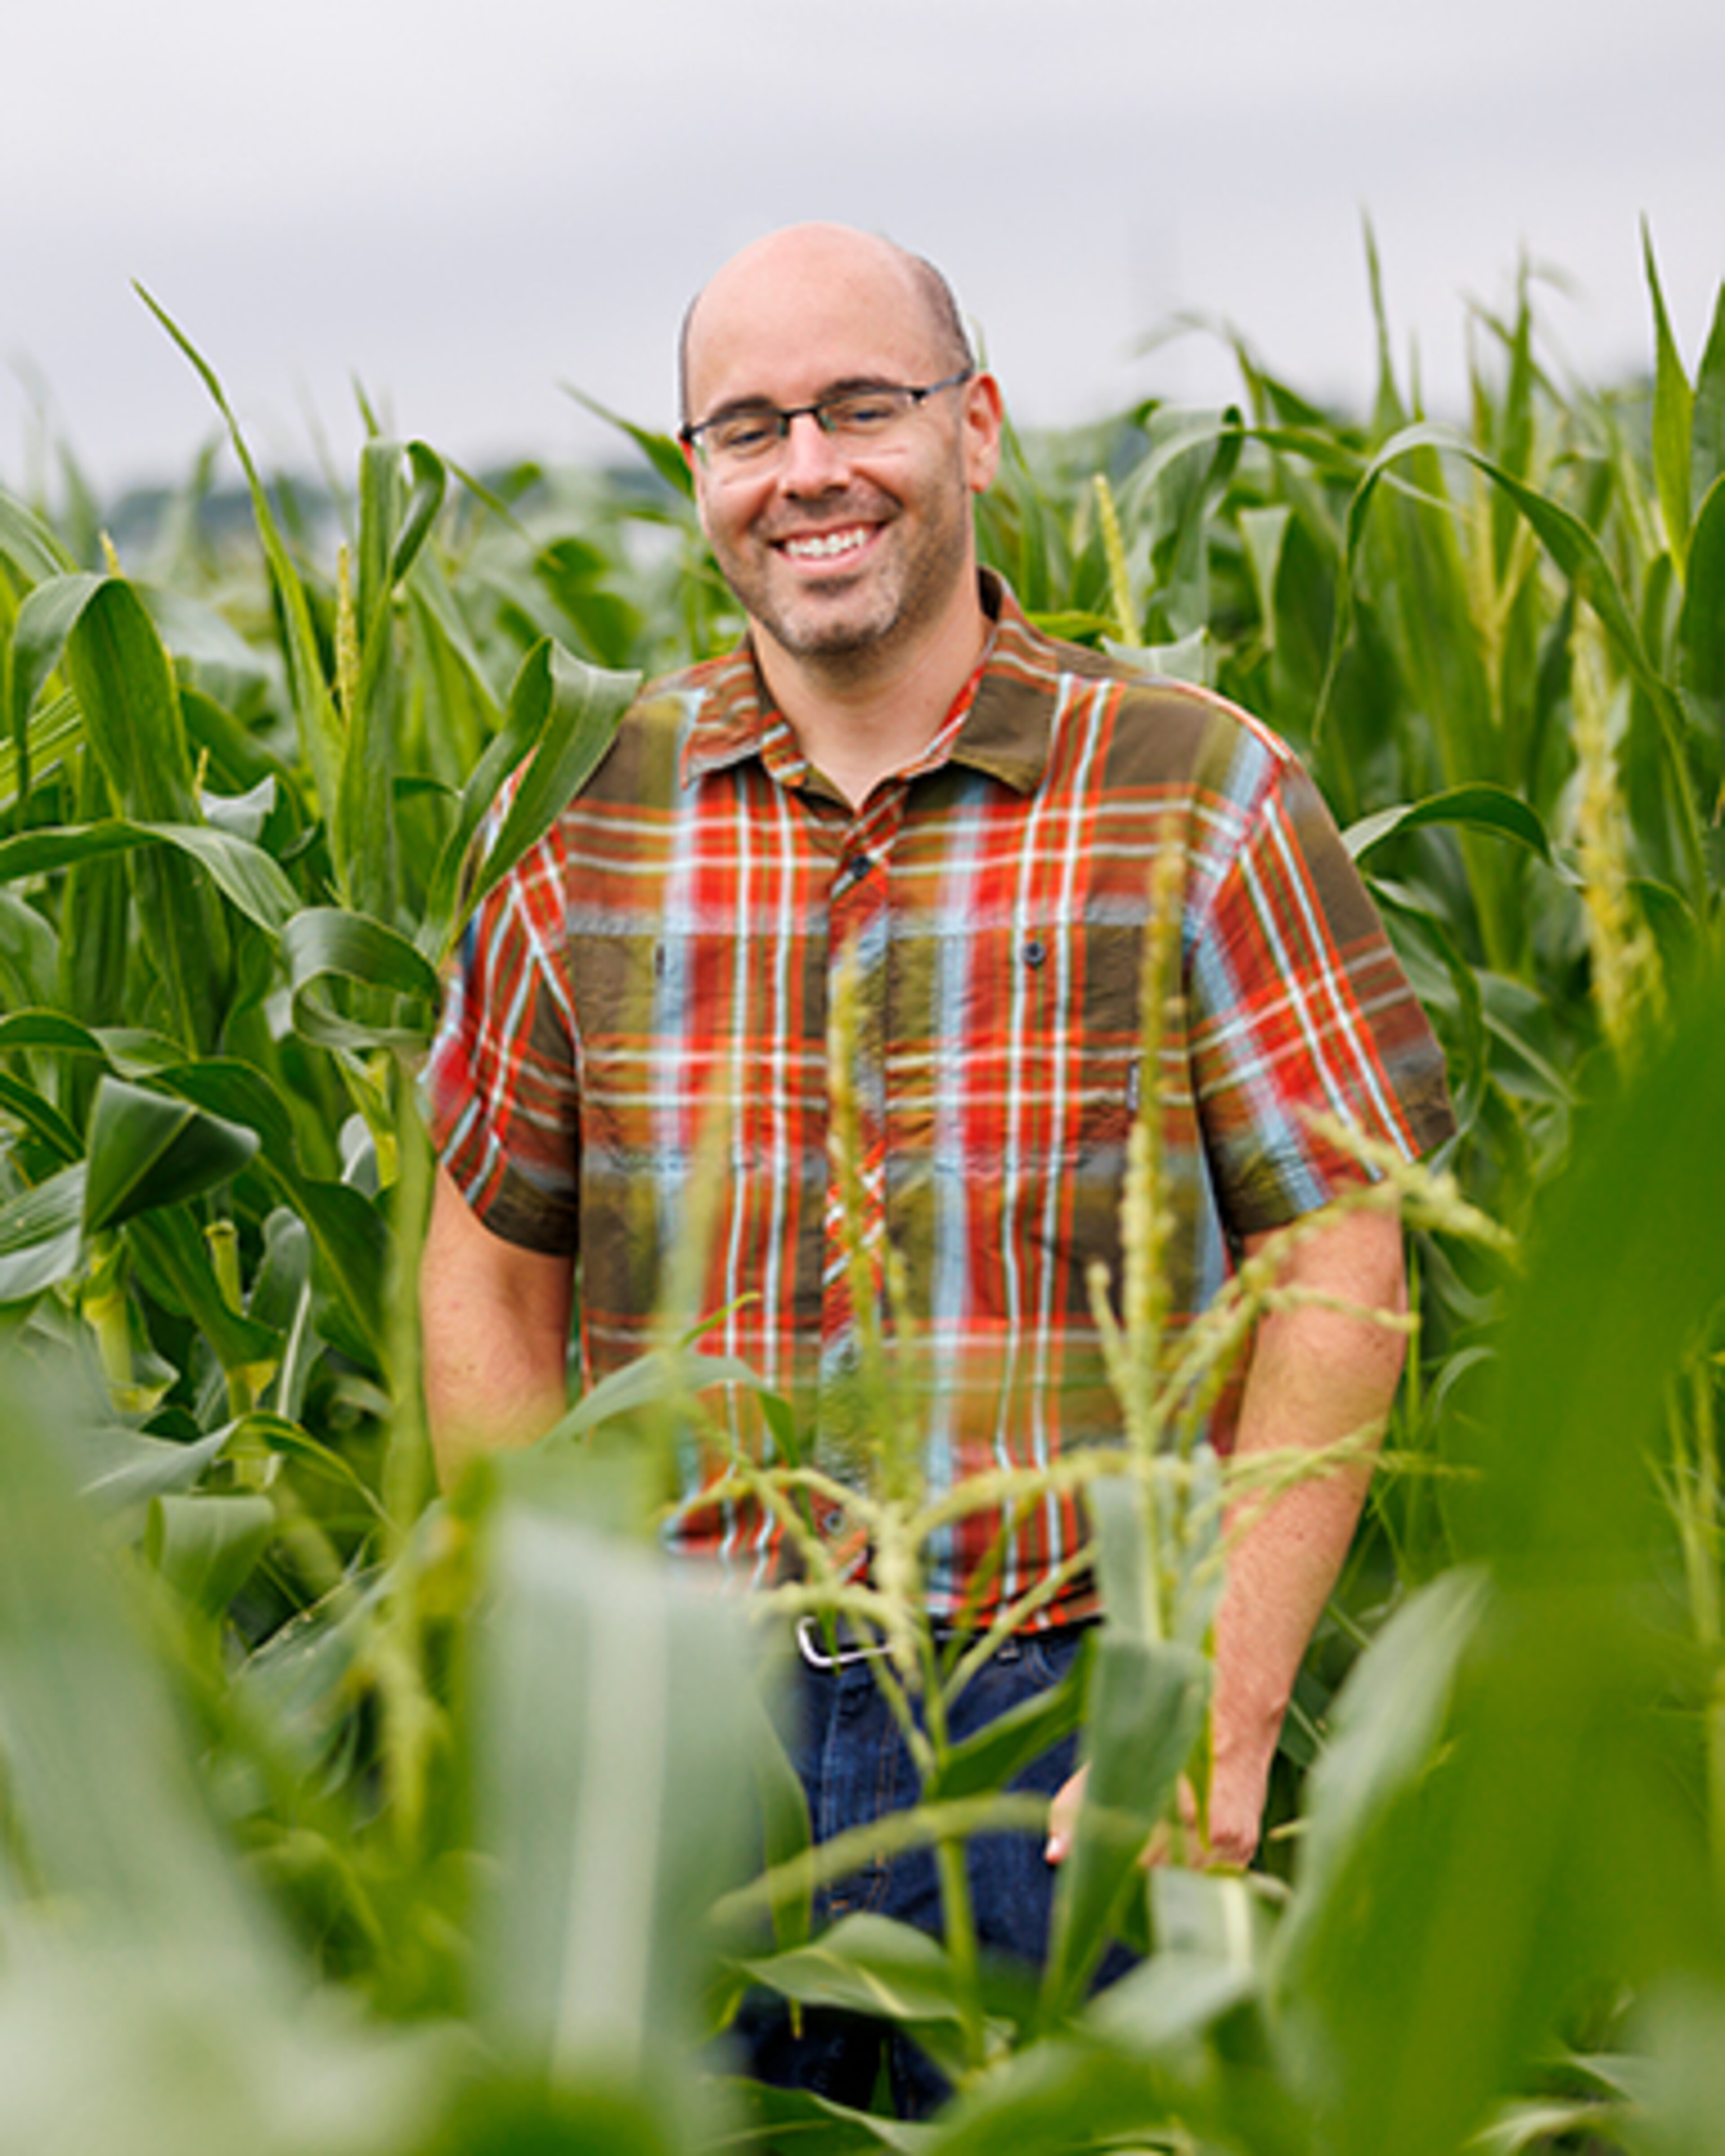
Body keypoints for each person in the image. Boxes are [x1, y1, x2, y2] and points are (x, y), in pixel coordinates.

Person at [420, 222, 1454, 2104]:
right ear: (697, 481)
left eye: (860, 408)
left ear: (975, 429)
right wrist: (543, 1669)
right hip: (680, 1726)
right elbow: (491, 1268)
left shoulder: (1196, 795)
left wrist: (1214, 1706)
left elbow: (1342, 1264)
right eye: (748, 428)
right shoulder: (580, 816)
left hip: (1056, 1725)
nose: (806, 468)